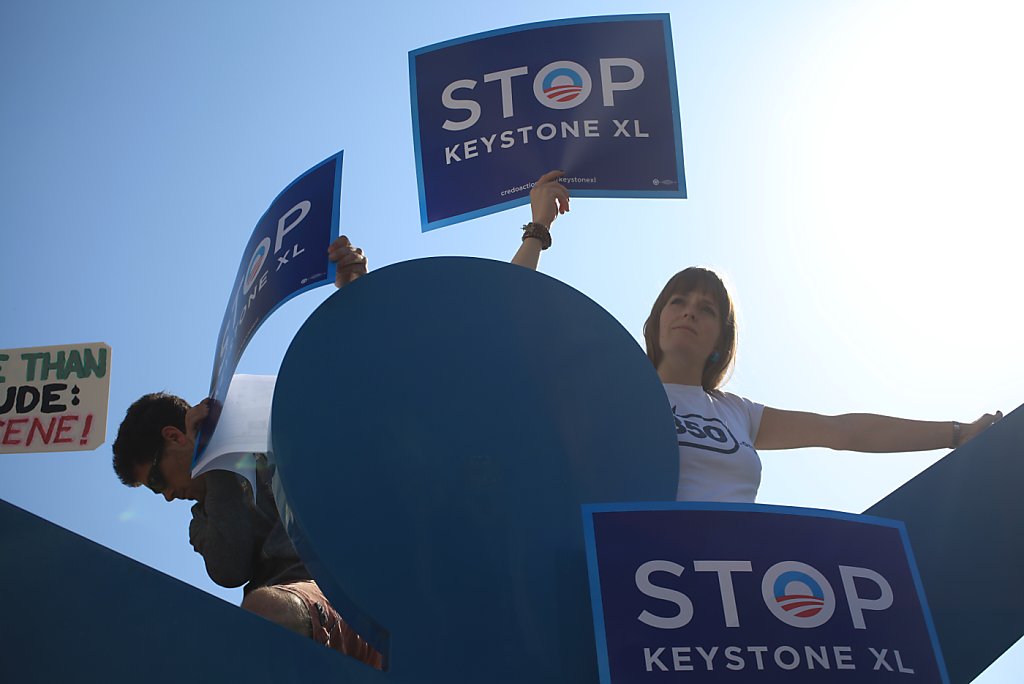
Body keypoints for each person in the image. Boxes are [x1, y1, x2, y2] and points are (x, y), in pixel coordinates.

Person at [513, 170, 1003, 502]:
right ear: (657, 319)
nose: (690, 312)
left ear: (721, 341)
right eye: (678, 301)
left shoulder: (738, 414)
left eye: (707, 309)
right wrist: (538, 228)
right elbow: (509, 318)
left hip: (730, 577)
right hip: (628, 570)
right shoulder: (613, 391)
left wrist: (957, 435)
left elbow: (844, 431)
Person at [111, 236, 381, 666]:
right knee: (263, 613)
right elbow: (230, 569)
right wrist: (218, 457)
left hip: (364, 573)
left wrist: (354, 294)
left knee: (266, 612)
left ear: (174, 436)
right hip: (303, 606)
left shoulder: (271, 433)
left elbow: (350, 400)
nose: (167, 495)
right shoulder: (201, 523)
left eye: (158, 480)